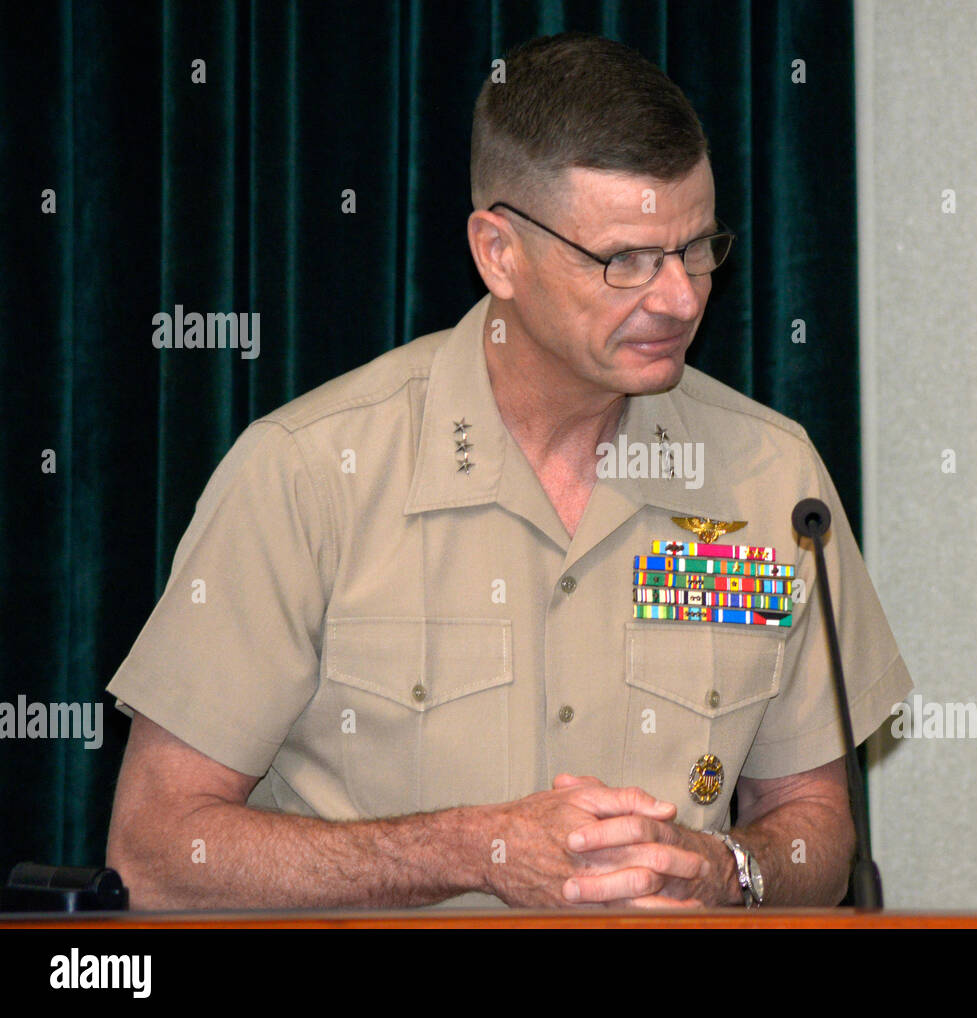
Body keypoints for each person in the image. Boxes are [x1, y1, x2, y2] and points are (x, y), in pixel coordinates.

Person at [105, 32, 912, 910]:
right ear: (499, 253)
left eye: (697, 248)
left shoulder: (771, 481)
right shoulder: (309, 474)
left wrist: (729, 869)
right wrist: (471, 850)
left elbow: (816, 820)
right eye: (626, 261)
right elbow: (154, 849)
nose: (680, 297)